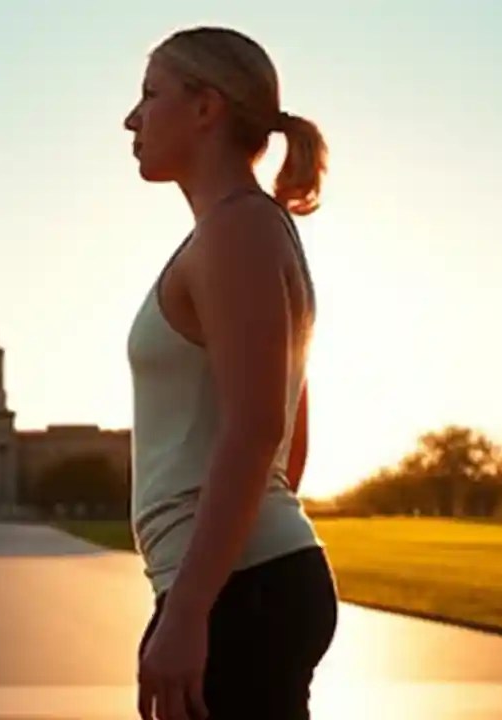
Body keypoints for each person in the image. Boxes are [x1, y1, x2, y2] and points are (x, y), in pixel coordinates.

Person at [124, 27, 339, 719]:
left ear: (205, 107)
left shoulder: (237, 230)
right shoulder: (244, 227)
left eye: (150, 95)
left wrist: (190, 610)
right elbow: (289, 440)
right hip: (245, 583)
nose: (132, 117)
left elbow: (256, 430)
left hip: (239, 592)